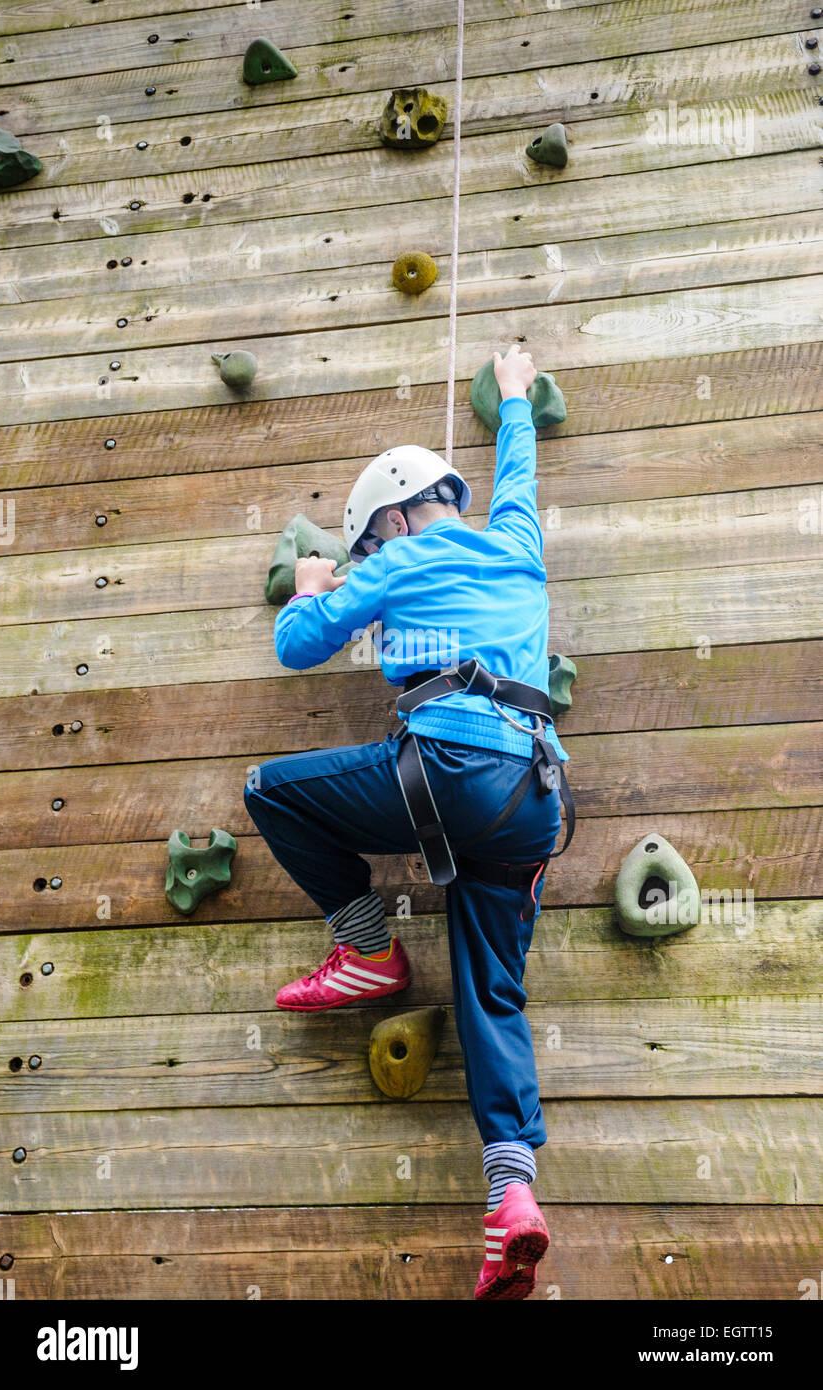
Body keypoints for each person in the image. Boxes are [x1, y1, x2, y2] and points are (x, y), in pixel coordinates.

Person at [244, 343, 574, 1301]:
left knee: (272, 788)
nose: (373, 560)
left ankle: (368, 950)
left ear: (391, 519)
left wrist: (315, 587)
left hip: (450, 767)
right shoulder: (515, 542)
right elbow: (519, 474)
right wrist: (514, 398)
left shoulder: (406, 556)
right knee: (491, 997)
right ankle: (512, 1198)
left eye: (371, 543)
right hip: (533, 798)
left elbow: (301, 646)